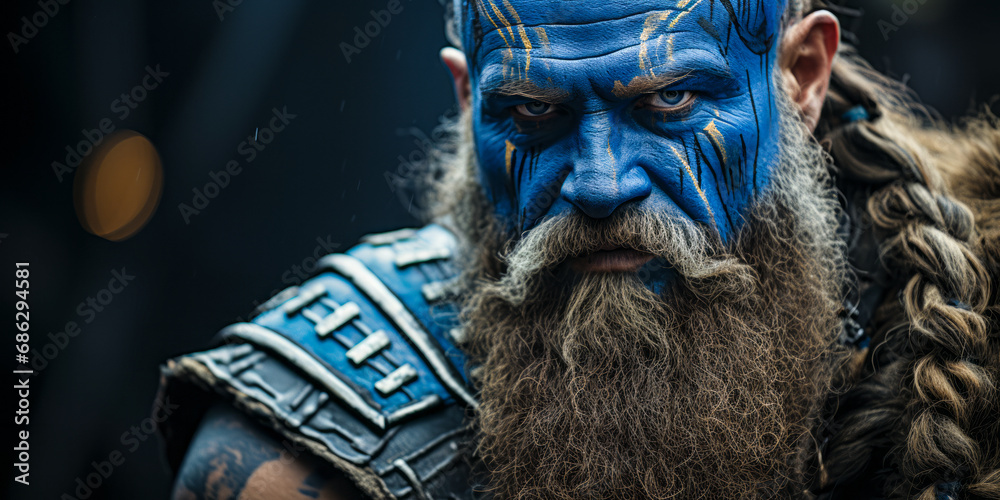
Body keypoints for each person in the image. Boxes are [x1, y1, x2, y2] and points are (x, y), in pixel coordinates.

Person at [155, 0, 1000, 498]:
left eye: (669, 100)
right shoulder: (308, 454)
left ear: (802, 77)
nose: (599, 184)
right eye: (533, 112)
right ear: (465, 99)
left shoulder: (967, 329)